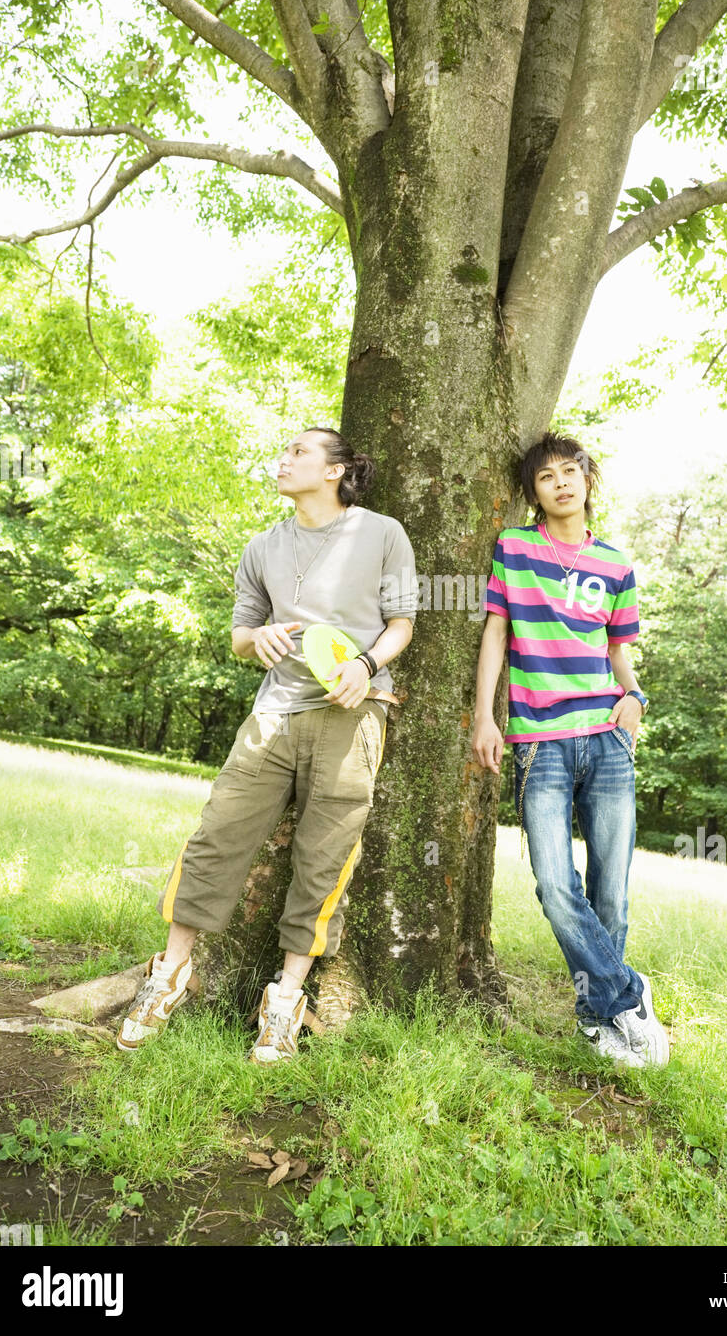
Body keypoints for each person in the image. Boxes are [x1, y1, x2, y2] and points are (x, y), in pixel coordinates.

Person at [116, 427, 417, 1062]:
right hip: (274, 714)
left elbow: (402, 624)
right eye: (284, 451)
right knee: (218, 834)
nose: (283, 460)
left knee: (325, 856)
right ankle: (167, 976)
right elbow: (239, 636)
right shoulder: (262, 546)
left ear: (335, 470)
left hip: (353, 713)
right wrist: (259, 641)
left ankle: (285, 1001)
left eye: (299, 452)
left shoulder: (382, 532)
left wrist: (364, 666)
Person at [472, 431, 668, 1068]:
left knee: (611, 889)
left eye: (570, 472)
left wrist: (636, 697)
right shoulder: (515, 548)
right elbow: (497, 634)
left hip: (607, 737)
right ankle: (628, 994)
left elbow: (618, 650)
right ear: (533, 493)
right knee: (555, 886)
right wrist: (485, 716)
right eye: (545, 476)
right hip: (538, 743)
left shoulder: (615, 564)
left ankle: (596, 1018)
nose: (560, 482)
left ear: (588, 480)